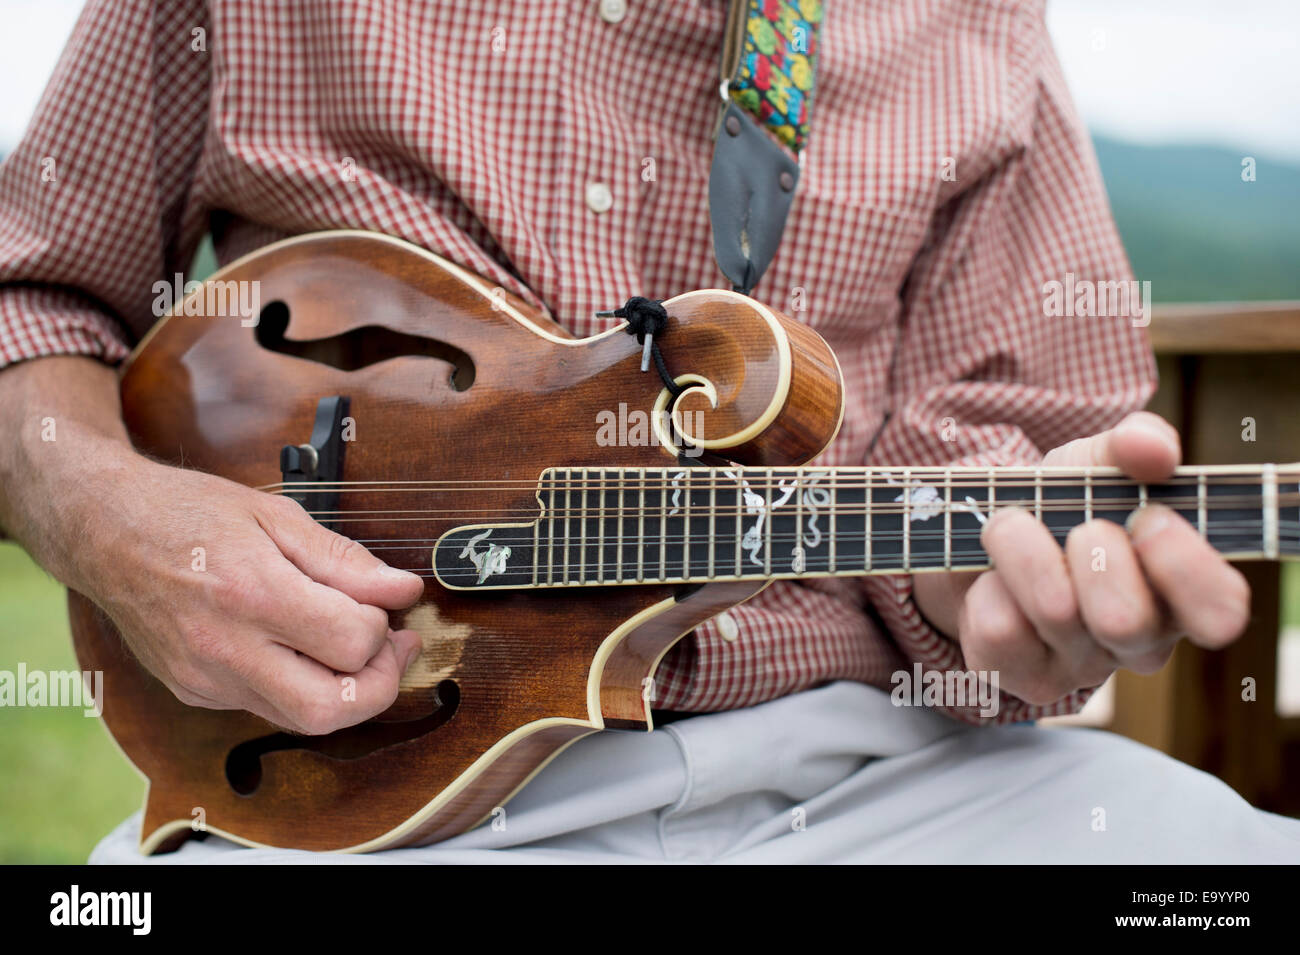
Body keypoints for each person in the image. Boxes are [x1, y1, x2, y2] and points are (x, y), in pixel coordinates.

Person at [0, 0, 1295, 863]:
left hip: (880, 788)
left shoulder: (970, 25)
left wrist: (1003, 583)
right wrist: (118, 520)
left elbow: (1001, 466)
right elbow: (29, 292)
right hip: (348, 794)